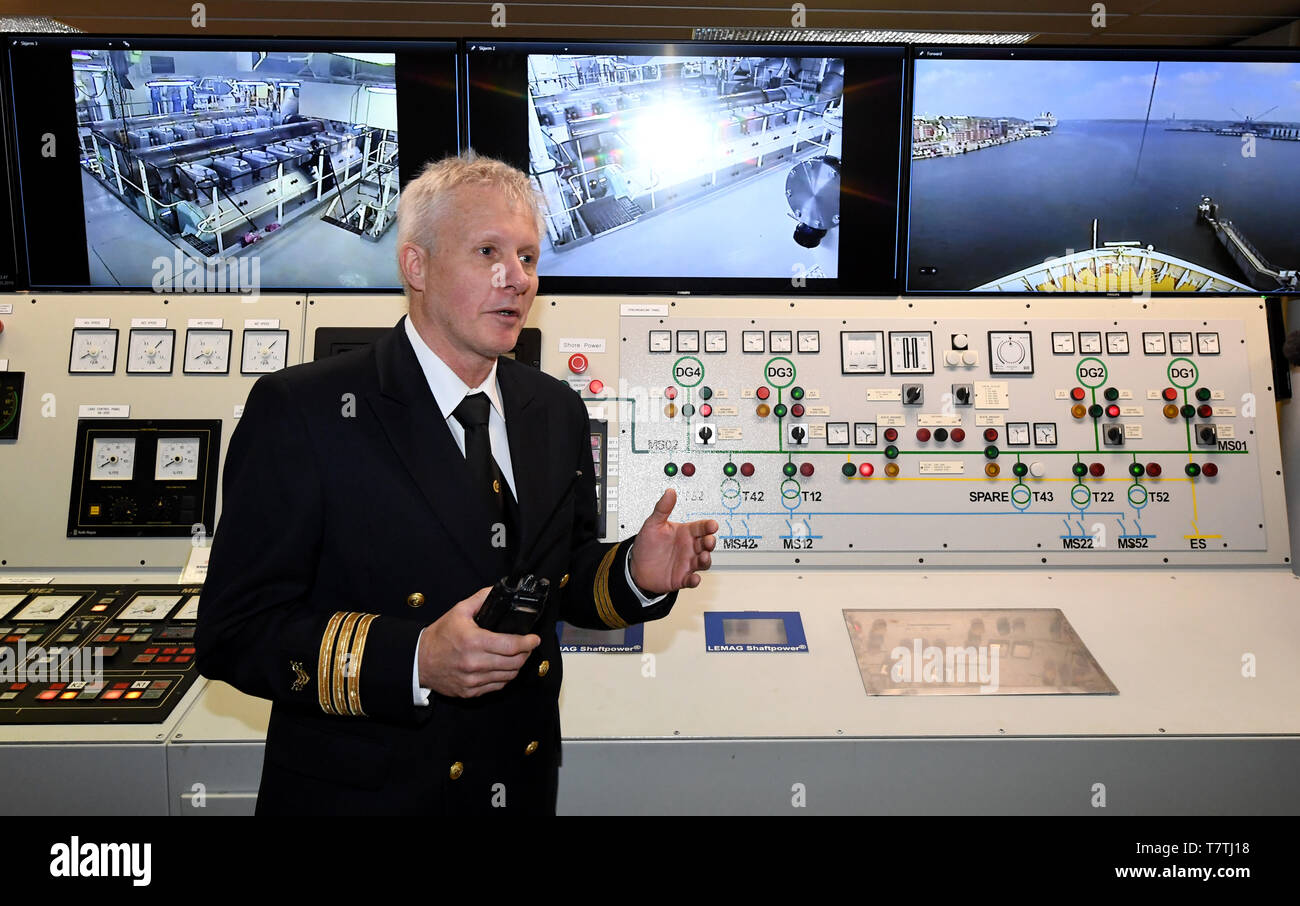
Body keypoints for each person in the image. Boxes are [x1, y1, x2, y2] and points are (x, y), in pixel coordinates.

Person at [196, 152, 718, 814]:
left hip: (516, 784)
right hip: (371, 798)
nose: (518, 280)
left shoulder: (552, 408)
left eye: (528, 257)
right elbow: (235, 634)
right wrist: (415, 659)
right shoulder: (304, 411)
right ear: (416, 266)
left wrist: (634, 575)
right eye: (488, 252)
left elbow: (557, 582)